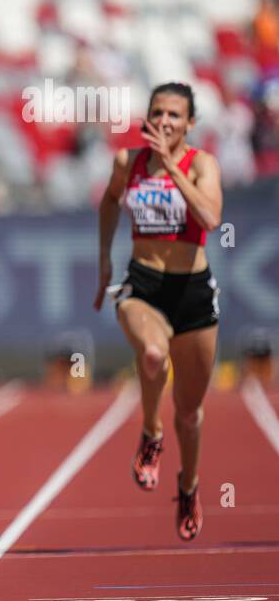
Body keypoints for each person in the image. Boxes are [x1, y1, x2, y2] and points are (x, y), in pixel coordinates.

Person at [95, 82, 222, 541]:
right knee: (152, 354)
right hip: (142, 284)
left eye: (174, 115)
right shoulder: (127, 163)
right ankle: (151, 432)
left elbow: (210, 219)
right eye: (158, 113)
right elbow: (110, 201)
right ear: (148, 119)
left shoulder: (202, 164)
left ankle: (188, 485)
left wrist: (171, 167)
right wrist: (106, 257)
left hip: (192, 293)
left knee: (189, 413)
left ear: (190, 123)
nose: (165, 121)